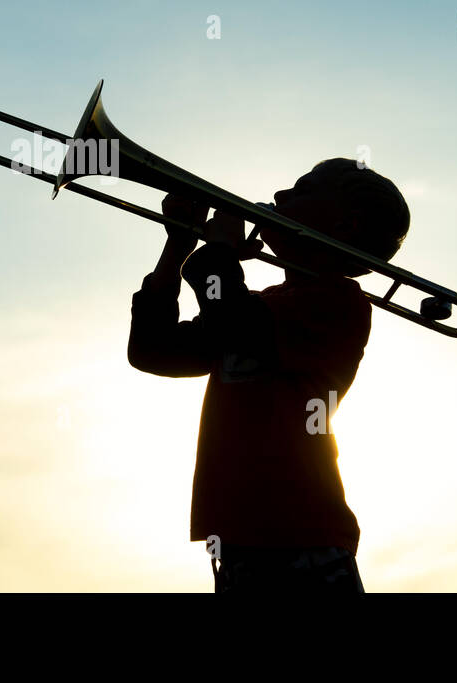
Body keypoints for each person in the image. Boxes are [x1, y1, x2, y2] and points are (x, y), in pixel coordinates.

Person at [127, 158, 410, 593]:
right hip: (241, 547)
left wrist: (218, 253)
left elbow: (238, 325)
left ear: (346, 223)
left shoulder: (340, 305)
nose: (279, 198)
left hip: (303, 538)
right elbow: (152, 350)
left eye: (301, 190)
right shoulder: (260, 303)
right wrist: (177, 246)